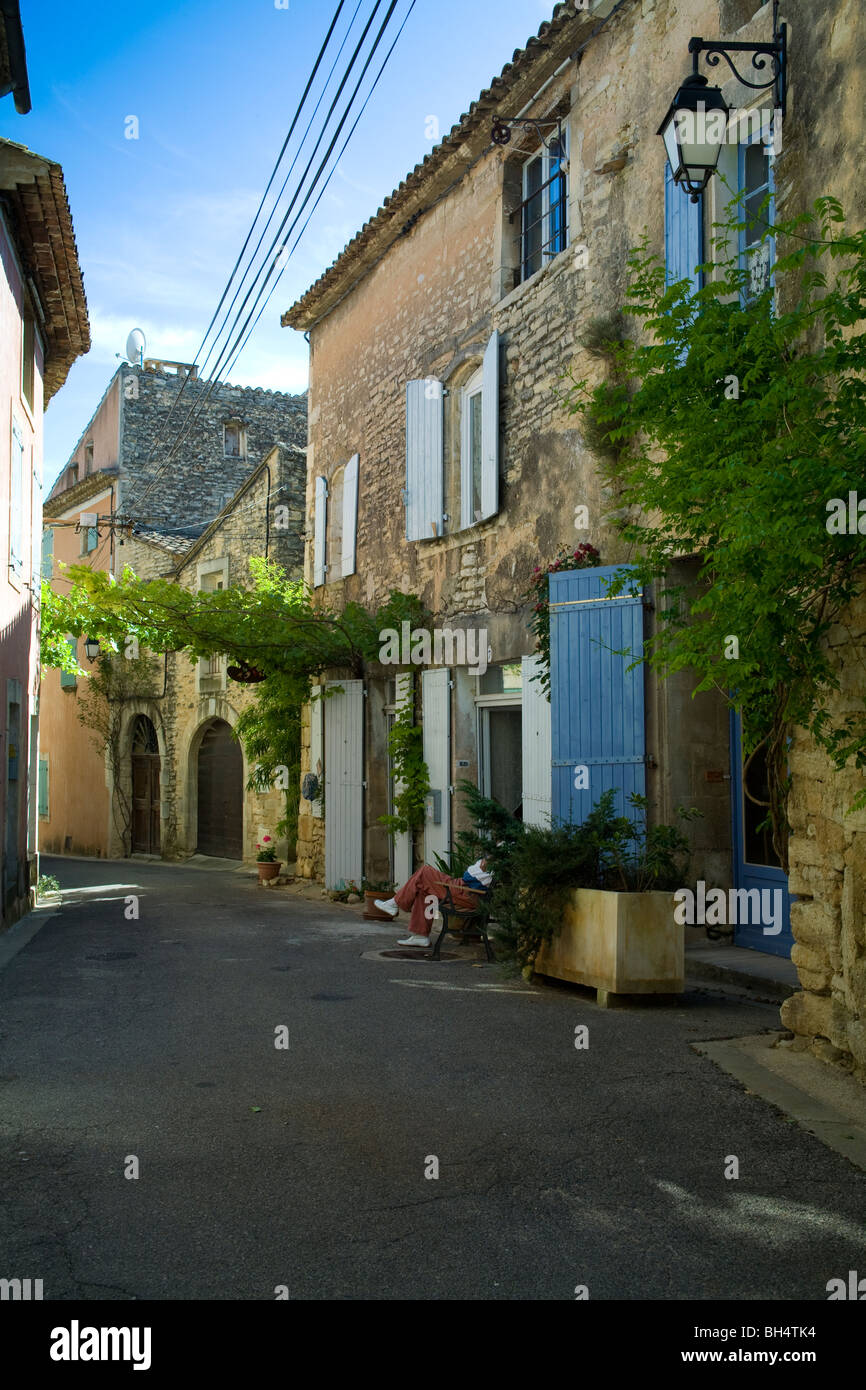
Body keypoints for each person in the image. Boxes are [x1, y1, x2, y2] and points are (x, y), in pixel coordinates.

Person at [375, 856, 493, 947]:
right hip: (467, 890)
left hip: (468, 893)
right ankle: (420, 936)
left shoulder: (499, 855)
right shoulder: (500, 851)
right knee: (424, 891)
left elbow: (469, 876)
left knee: (424, 872)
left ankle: (395, 903)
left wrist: (481, 863)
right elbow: (473, 873)